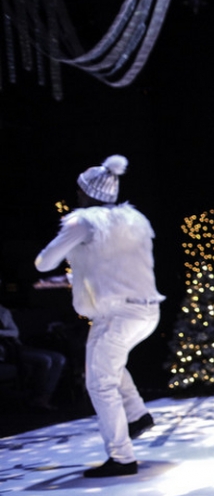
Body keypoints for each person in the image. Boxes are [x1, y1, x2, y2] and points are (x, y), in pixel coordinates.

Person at [34, 155, 163, 478]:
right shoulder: (134, 221)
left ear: (89, 193)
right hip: (145, 311)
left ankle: (122, 458)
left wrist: (52, 265)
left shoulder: (83, 221)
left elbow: (44, 261)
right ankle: (136, 415)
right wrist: (68, 280)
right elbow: (111, 269)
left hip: (117, 314)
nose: (77, 196)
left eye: (80, 191)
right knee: (105, 366)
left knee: (99, 383)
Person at [0, 300, 67, 412]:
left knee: (59, 359)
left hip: (17, 346)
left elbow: (15, 332)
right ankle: (37, 398)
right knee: (45, 360)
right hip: (6, 352)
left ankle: (44, 397)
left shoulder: (3, 311)